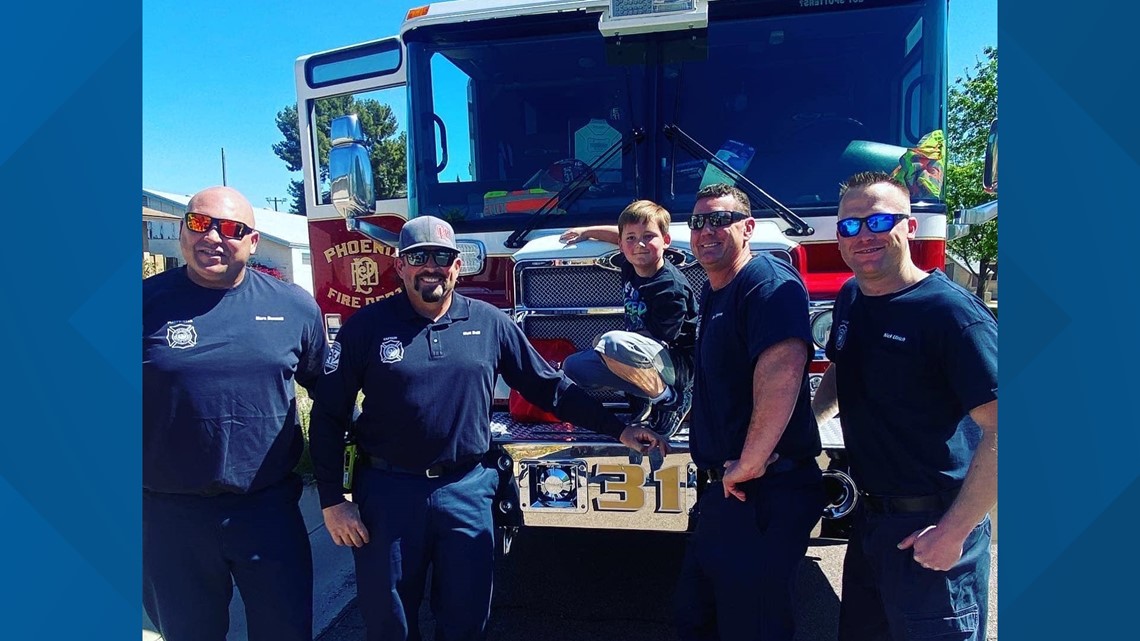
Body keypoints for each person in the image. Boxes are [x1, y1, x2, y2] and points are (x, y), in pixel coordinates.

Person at [309, 215, 668, 641]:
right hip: (387, 493)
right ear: (400, 266)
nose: (431, 267)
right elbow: (328, 415)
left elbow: (549, 388)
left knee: (467, 618)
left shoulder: (490, 322)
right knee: (388, 622)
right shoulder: (366, 328)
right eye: (418, 257)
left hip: (466, 489)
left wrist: (618, 430)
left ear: (457, 265)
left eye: (441, 257)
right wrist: (333, 501)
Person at [812, 171, 997, 641]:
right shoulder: (853, 297)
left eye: (879, 221)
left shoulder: (950, 315)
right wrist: (809, 425)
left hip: (931, 527)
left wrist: (952, 532)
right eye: (850, 226)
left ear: (909, 227)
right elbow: (842, 366)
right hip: (872, 523)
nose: (864, 236)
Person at [142, 186, 328, 641]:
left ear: (252, 241)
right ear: (183, 230)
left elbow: (332, 396)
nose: (213, 238)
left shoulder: (293, 306)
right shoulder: (140, 305)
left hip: (267, 511)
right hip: (170, 515)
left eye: (230, 229)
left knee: (285, 632)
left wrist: (342, 487)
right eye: (200, 223)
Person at [675, 183, 827, 640]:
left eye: (720, 220)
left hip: (764, 490)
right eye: (698, 222)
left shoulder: (767, 282)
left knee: (753, 624)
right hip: (731, 490)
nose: (706, 231)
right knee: (698, 615)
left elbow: (784, 369)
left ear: (748, 227)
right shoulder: (716, 291)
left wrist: (752, 460)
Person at [558, 200, 699, 437]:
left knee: (610, 343)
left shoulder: (669, 287)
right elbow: (620, 235)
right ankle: (644, 395)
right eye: (631, 239)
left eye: (649, 236)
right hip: (643, 356)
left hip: (678, 365)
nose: (639, 245)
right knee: (573, 367)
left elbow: (660, 340)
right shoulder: (631, 264)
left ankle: (671, 401)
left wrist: (606, 346)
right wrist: (586, 232)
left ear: (666, 241)